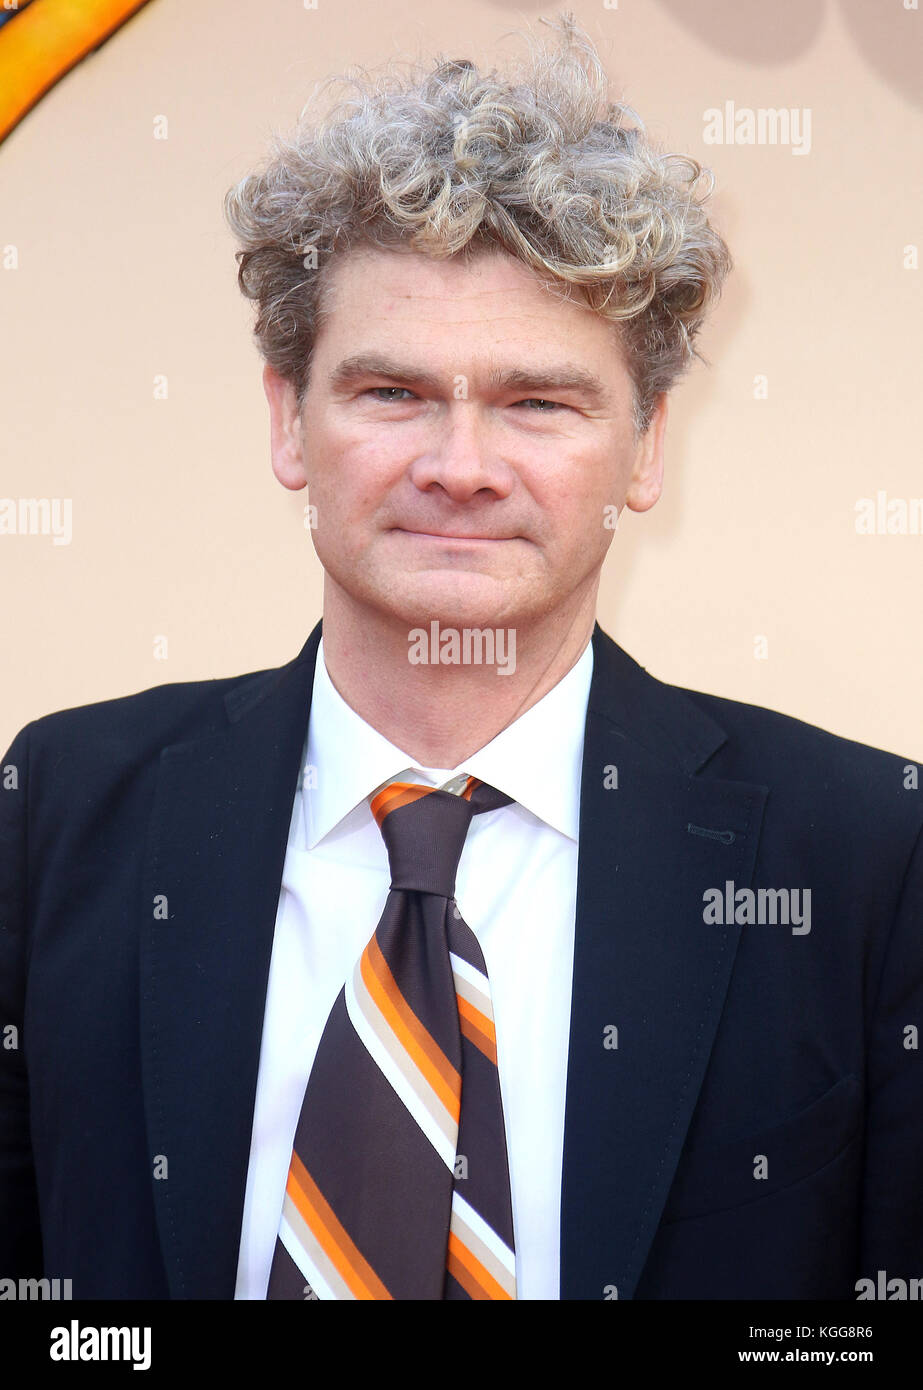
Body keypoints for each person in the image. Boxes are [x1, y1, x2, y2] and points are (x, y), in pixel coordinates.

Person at [1, 15, 920, 1302]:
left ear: (647, 446)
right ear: (287, 419)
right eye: (391, 394)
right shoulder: (59, 808)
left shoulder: (868, 854)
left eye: (538, 403)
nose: (460, 465)